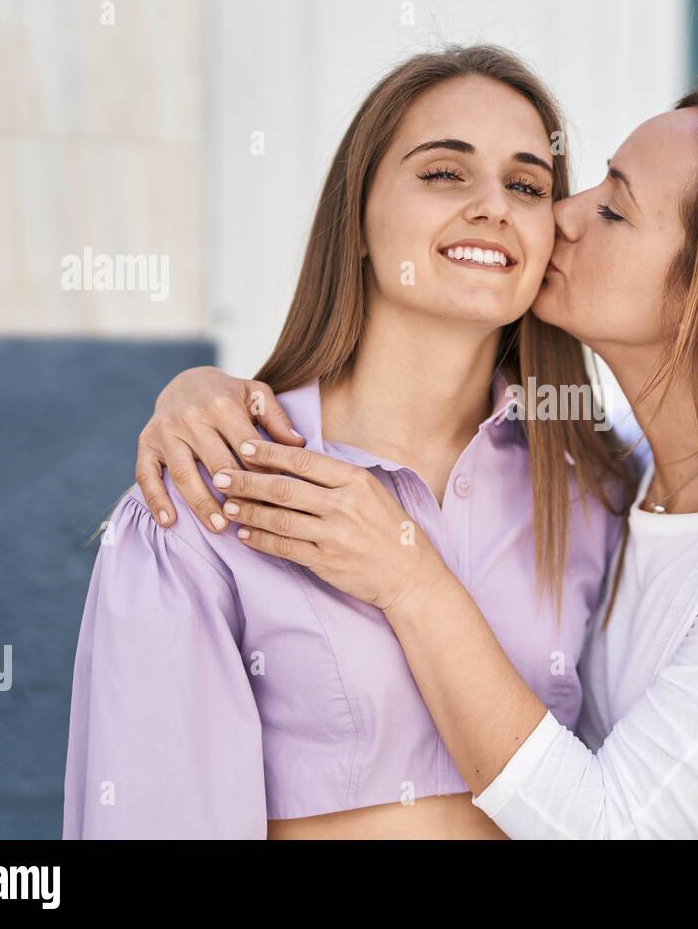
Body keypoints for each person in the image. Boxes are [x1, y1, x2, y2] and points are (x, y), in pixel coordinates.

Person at [134, 87, 698, 837]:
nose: (564, 214)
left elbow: (615, 829)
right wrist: (202, 392)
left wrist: (409, 578)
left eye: (615, 210)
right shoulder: (623, 487)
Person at [62, 45, 631, 840]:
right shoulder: (211, 488)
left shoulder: (599, 493)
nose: (494, 205)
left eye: (527, 185)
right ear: (357, 222)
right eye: (445, 172)